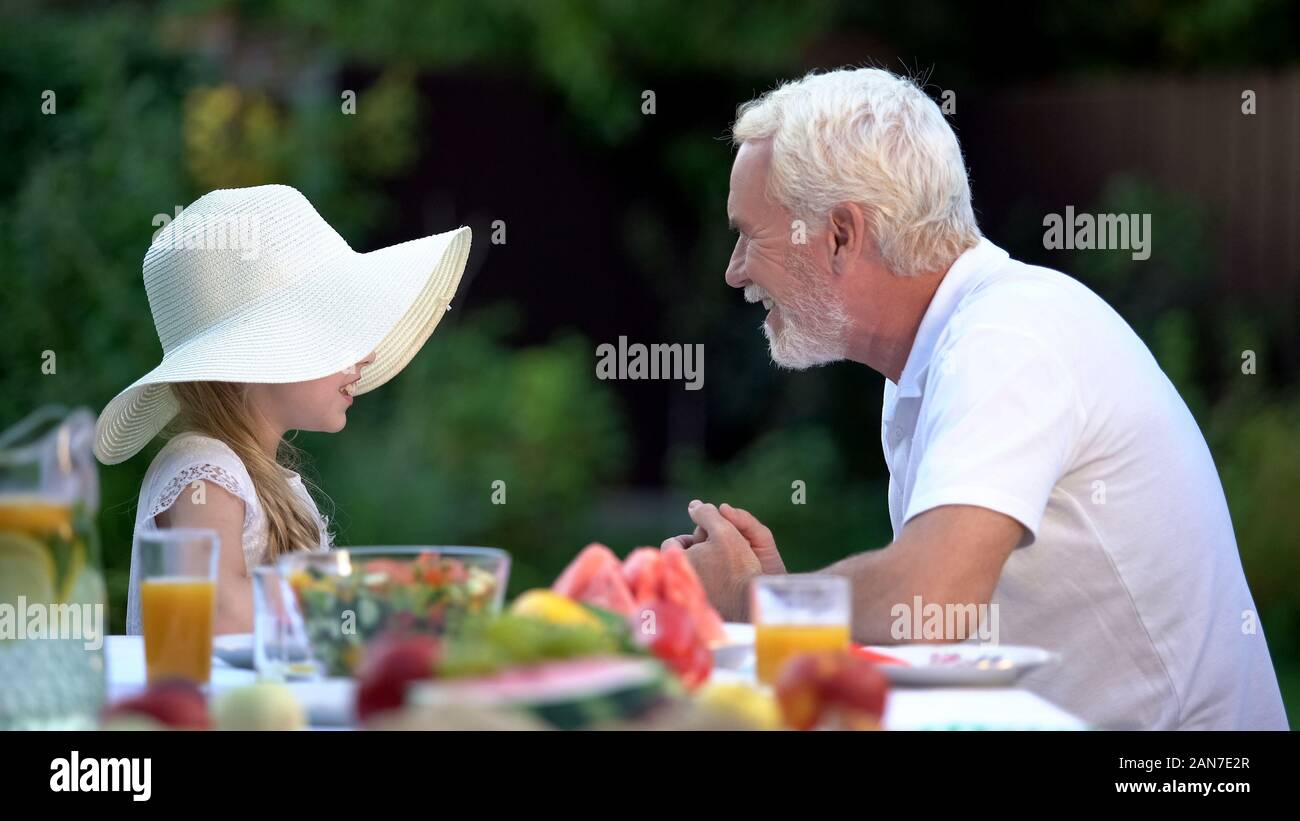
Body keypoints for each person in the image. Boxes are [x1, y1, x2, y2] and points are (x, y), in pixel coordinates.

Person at [665, 67, 1288, 730]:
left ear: (842, 234)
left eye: (749, 234)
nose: (735, 270)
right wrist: (792, 604)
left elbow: (932, 599)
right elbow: (938, 643)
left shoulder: (1005, 339)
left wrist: (757, 601)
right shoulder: (939, 356)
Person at [93, 184, 471, 635]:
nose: (366, 356)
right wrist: (372, 601)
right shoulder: (201, 469)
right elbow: (220, 613)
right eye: (338, 333)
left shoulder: (268, 483)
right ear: (260, 353)